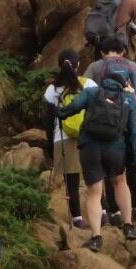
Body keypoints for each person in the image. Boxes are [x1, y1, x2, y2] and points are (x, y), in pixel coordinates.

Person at [56, 68, 136, 249]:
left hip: (90, 148)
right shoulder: (127, 99)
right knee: (120, 182)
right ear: (123, 84)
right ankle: (129, 226)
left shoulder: (93, 92)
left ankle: (96, 237)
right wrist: (134, 160)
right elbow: (134, 132)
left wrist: (60, 112)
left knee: (94, 192)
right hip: (116, 149)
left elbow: (71, 109)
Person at [85, 33, 136, 224]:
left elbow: (84, 89)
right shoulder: (132, 66)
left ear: (101, 53)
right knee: (131, 161)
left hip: (106, 123)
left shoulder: (95, 67)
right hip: (129, 120)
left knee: (110, 168)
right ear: (122, 52)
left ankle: (114, 211)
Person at [43, 49, 96, 228]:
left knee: (71, 183)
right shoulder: (88, 84)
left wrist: (50, 147)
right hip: (88, 136)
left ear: (59, 65)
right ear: (78, 64)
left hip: (62, 139)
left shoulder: (52, 89)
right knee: (93, 180)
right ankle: (103, 215)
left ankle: (77, 220)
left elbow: (49, 122)